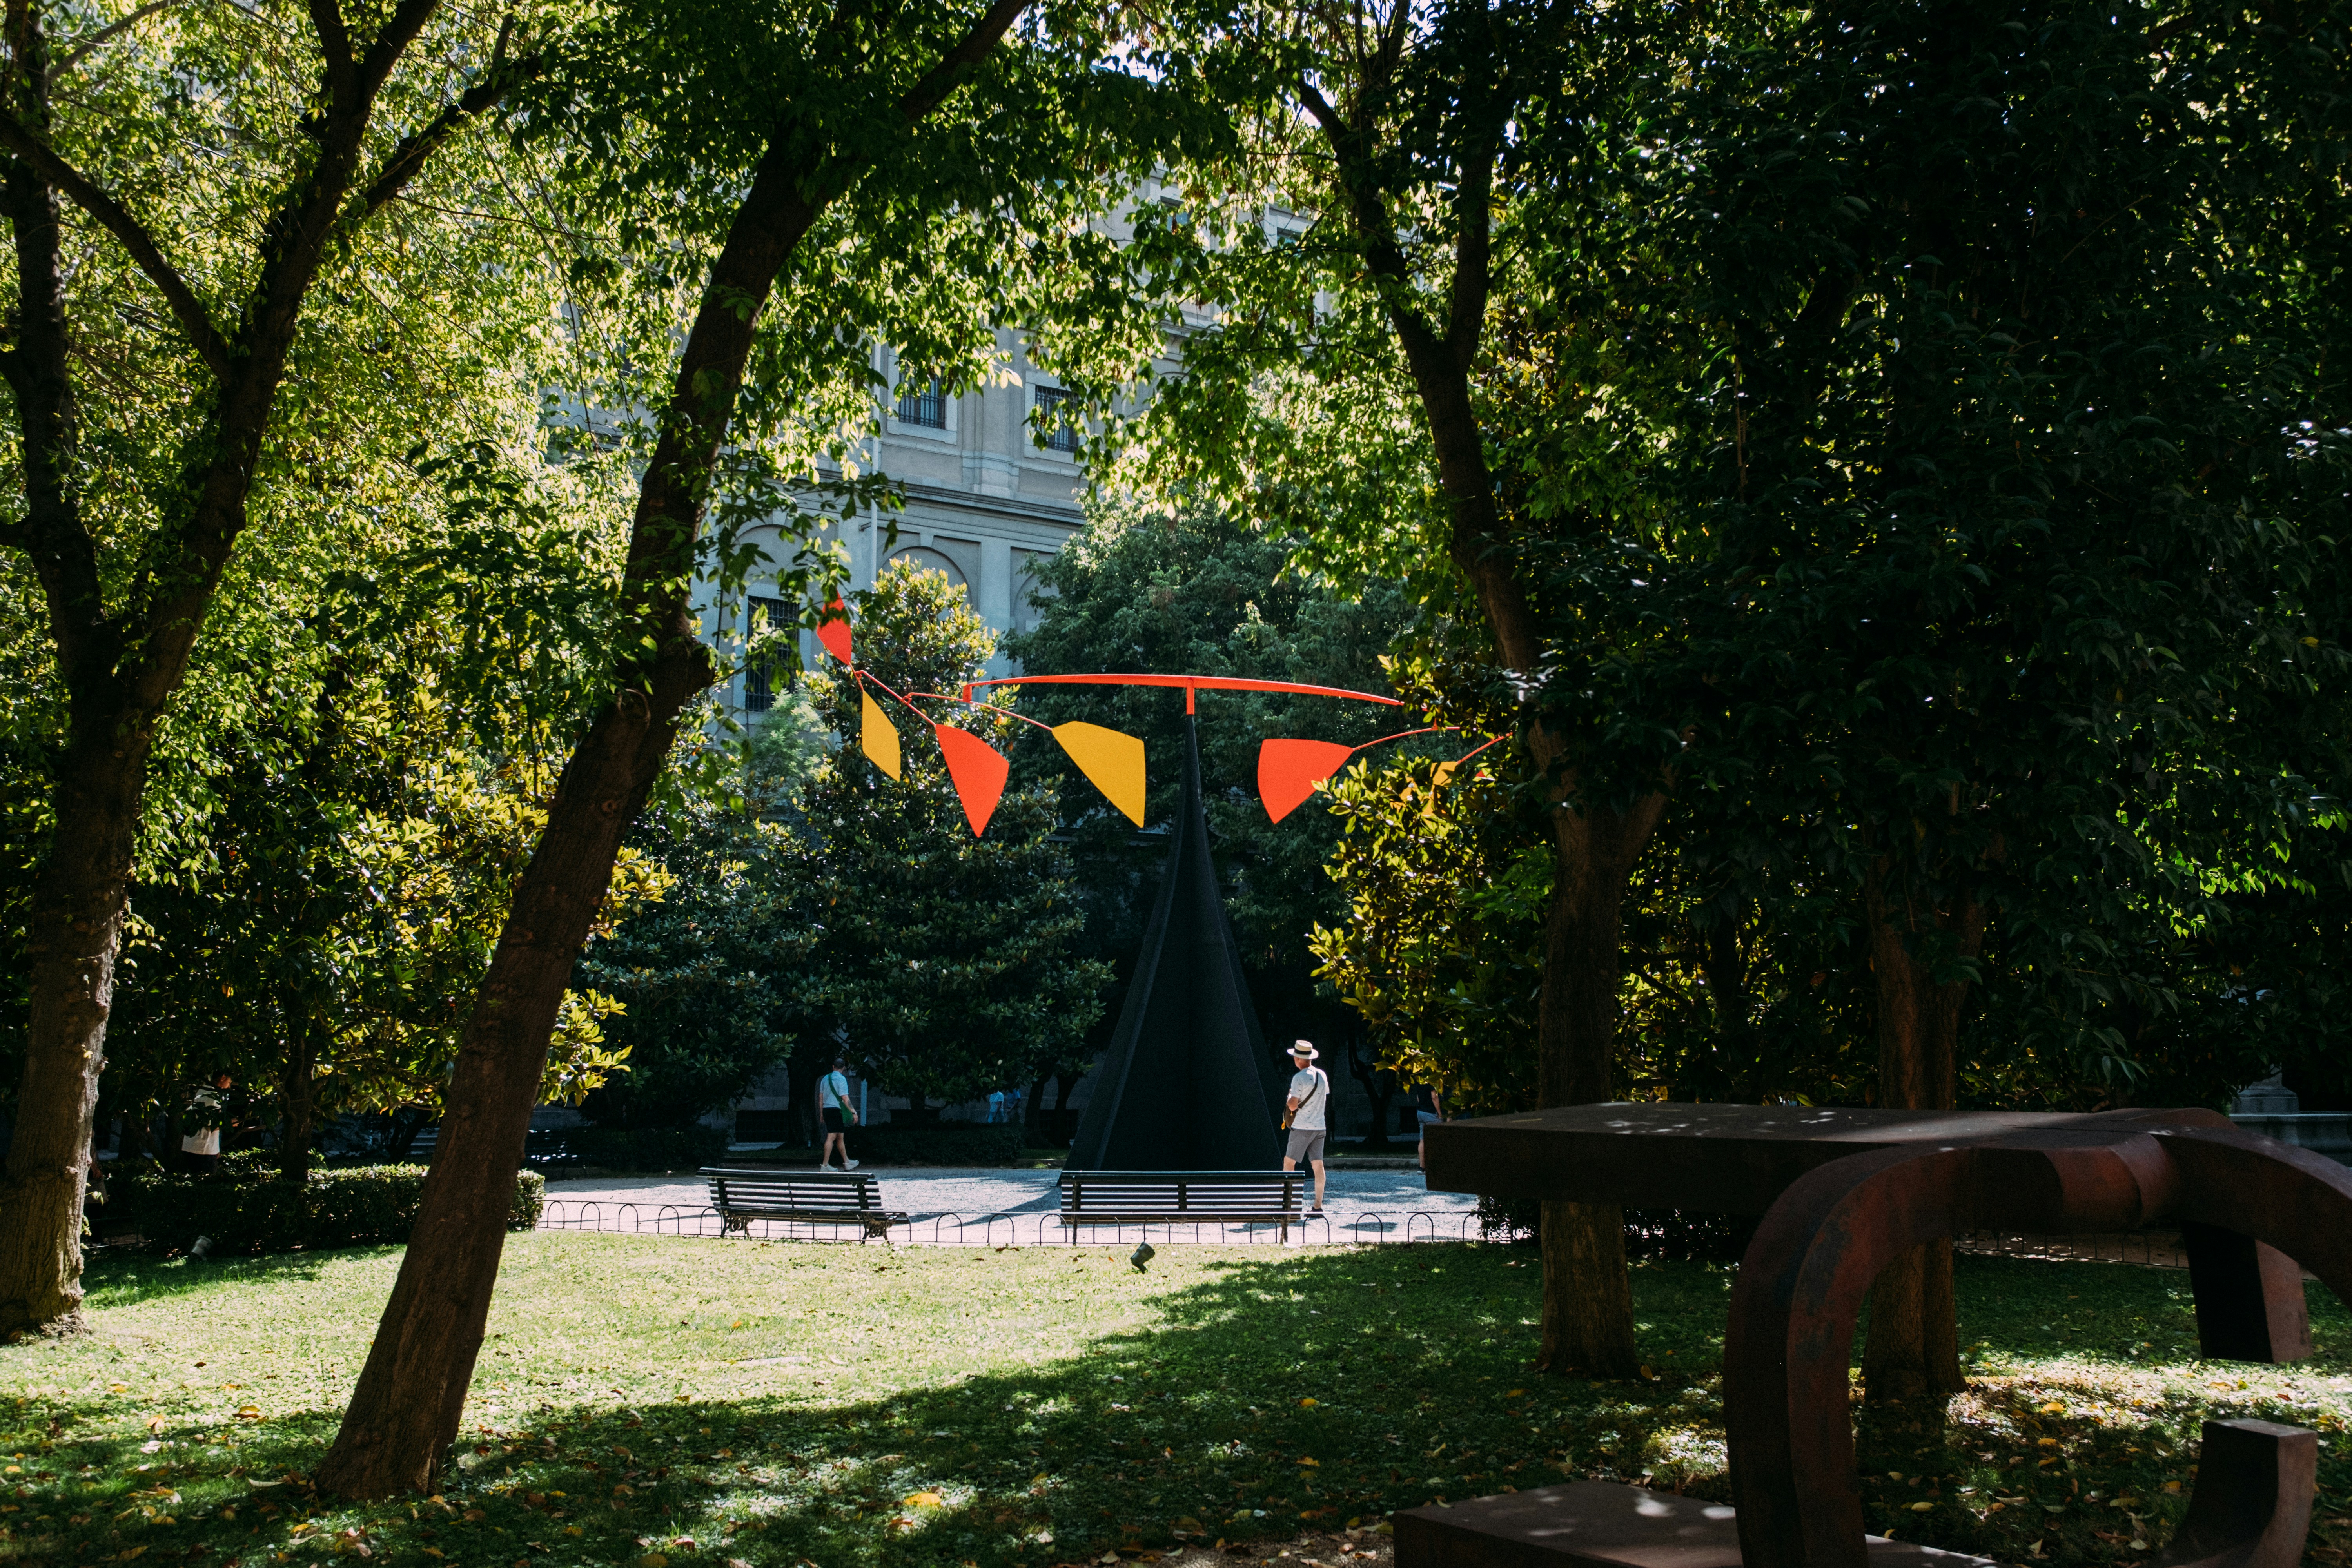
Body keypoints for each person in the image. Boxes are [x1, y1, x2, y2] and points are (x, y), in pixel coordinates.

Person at [1281, 1040, 1330, 1213]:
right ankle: (1318, 1205)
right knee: (1318, 1165)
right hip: (1319, 1126)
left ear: (1297, 1058)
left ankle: (1290, 1205)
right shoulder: (1322, 1075)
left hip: (1302, 1127)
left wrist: (1289, 1097)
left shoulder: (1298, 1078)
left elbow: (1293, 1106)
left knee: (1289, 1163)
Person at [180, 1073, 231, 1176]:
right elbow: (212, 1125)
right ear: (223, 1078)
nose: (229, 1086)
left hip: (194, 1147)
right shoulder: (211, 1096)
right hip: (203, 1149)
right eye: (229, 1082)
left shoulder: (203, 1091)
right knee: (206, 1182)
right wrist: (230, 1124)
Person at [815, 1058, 859, 1171]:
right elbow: (845, 1098)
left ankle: (847, 1162)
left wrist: (821, 1113)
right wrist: (853, 1112)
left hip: (827, 1109)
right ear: (844, 1068)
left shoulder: (825, 1078)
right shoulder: (842, 1080)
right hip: (836, 1110)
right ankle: (825, 1165)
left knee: (840, 1137)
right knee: (831, 1137)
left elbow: (821, 1097)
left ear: (833, 1067)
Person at [1412, 1080, 1445, 1170]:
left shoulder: (1419, 1082)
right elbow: (1434, 1097)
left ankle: (1422, 1167)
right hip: (1431, 1114)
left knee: (1422, 1140)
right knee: (1436, 1139)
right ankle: (1435, 1166)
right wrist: (1440, 1114)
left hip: (1421, 1112)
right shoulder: (1432, 1082)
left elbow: (1418, 1099)